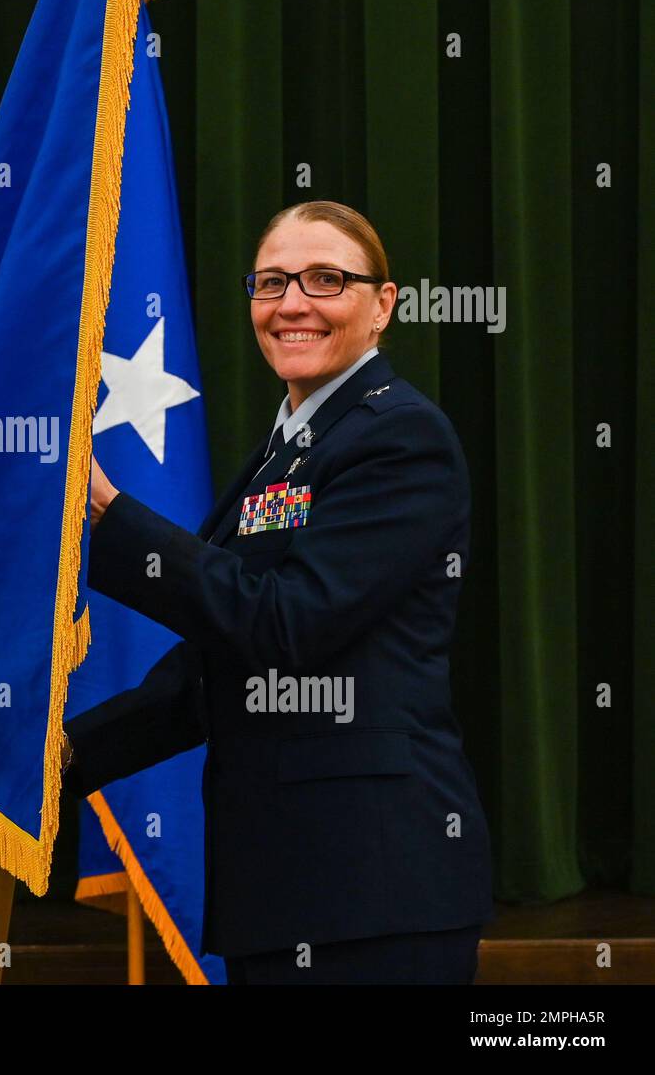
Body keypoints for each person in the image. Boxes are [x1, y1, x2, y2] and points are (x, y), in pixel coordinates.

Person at [63, 200, 493, 984]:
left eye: (326, 279)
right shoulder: (286, 448)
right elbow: (211, 677)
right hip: (284, 892)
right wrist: (48, 765)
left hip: (375, 893)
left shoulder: (400, 438)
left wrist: (108, 511)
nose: (293, 304)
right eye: (271, 283)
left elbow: (287, 625)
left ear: (383, 304)